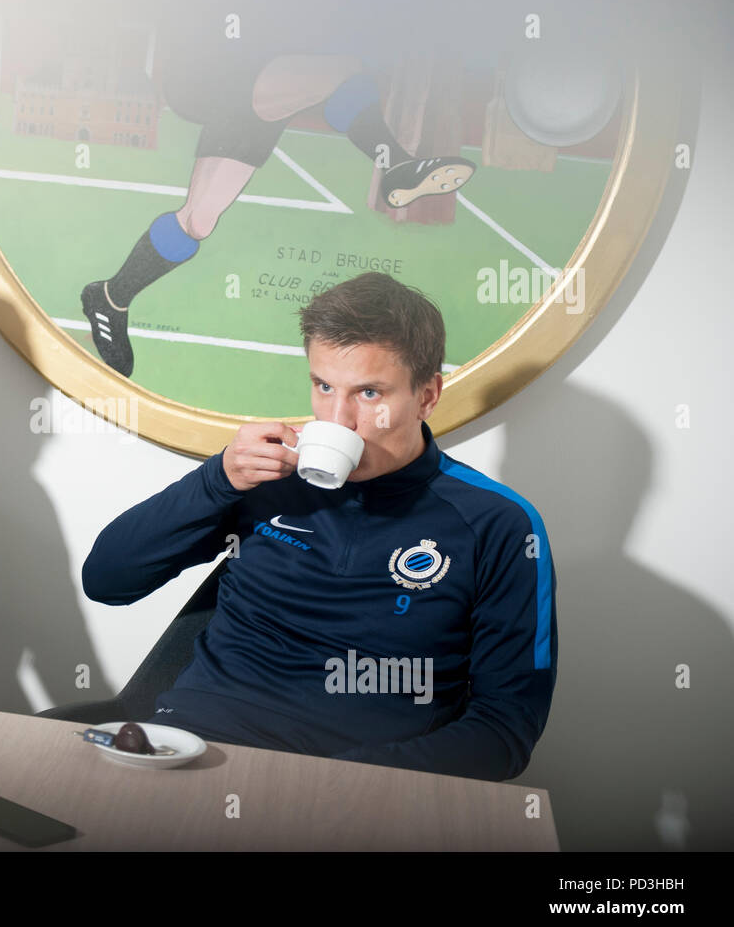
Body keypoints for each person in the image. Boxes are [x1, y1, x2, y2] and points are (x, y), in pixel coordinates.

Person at [82, 271, 556, 781]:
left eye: (370, 392)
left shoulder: (499, 525)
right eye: (323, 386)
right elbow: (107, 582)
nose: (339, 418)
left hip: (363, 792)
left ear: (427, 395)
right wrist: (216, 479)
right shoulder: (259, 479)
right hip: (195, 755)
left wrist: (333, 786)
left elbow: (504, 731)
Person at [82, 0, 474, 377]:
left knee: (197, 221)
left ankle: (110, 297)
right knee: (343, 73)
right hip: (211, 69)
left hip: (253, 90)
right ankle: (397, 165)